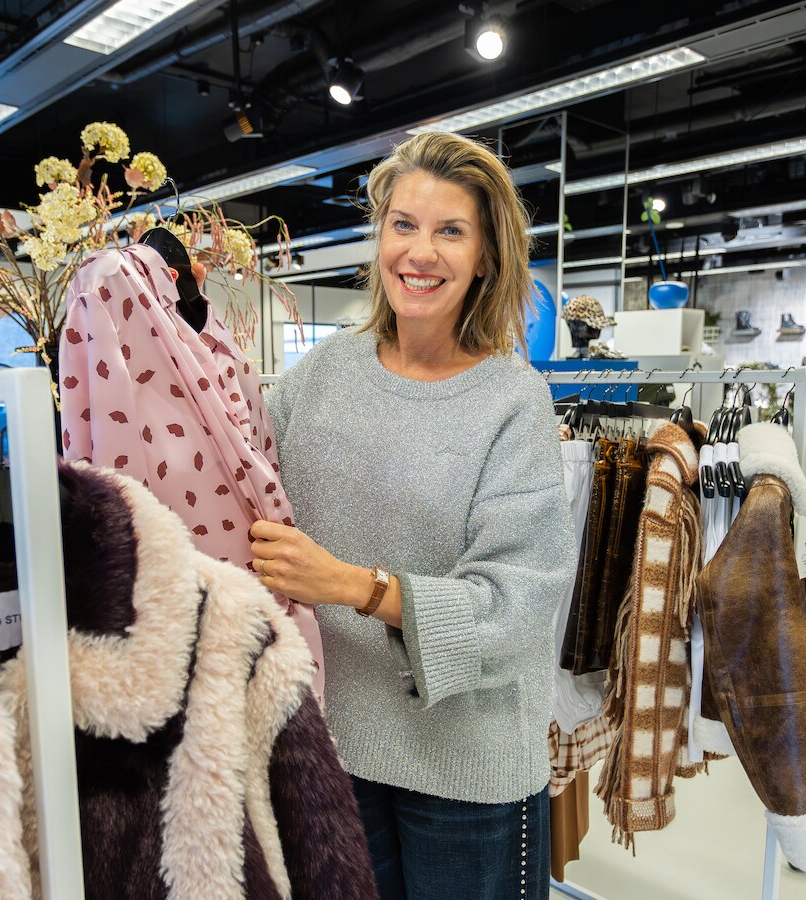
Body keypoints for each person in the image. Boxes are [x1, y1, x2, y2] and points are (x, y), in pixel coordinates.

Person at [248, 131, 576, 900]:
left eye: (449, 231)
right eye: (403, 224)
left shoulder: (512, 402)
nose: (419, 253)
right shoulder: (323, 373)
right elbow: (240, 481)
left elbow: (514, 607)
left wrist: (351, 585)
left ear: (487, 257)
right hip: (334, 742)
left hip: (465, 762)